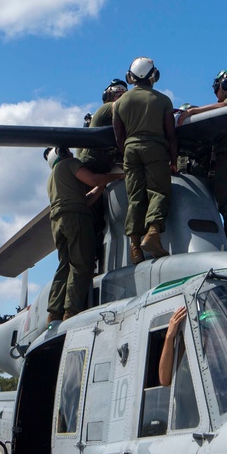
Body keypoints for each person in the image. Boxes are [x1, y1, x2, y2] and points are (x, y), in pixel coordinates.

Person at [177, 69, 227, 251]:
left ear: (226, 85)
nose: (216, 94)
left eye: (218, 88)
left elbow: (223, 107)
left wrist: (195, 112)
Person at [45, 147, 123, 325]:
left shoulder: (52, 178)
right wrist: (117, 176)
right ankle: (71, 311)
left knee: (65, 264)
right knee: (81, 264)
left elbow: (85, 199)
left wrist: (101, 186)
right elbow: (92, 179)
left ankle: (54, 312)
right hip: (76, 217)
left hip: (58, 221)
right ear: (62, 154)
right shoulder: (68, 163)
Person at [113, 57, 178, 264]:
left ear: (130, 77)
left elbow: (118, 135)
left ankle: (134, 247)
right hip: (155, 148)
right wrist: (174, 160)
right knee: (158, 191)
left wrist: (127, 153)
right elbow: (171, 134)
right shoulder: (163, 100)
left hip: (130, 150)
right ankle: (152, 233)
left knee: (135, 197)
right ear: (154, 76)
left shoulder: (120, 102)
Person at [78, 78, 128, 174]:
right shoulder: (105, 109)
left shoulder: (124, 119)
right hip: (92, 163)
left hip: (108, 165)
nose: (121, 99)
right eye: (119, 95)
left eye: (124, 96)